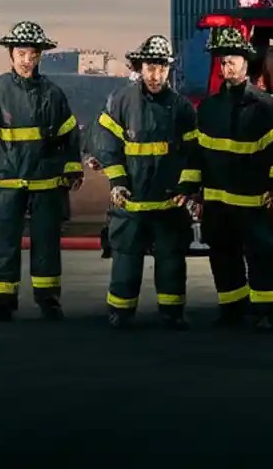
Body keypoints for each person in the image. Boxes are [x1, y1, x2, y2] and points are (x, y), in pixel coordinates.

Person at [183, 26, 273, 331]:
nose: (227, 66)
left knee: (261, 256)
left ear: (246, 62)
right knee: (223, 256)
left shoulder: (266, 107)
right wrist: (192, 192)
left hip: (252, 201)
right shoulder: (208, 109)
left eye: (232, 59)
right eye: (222, 61)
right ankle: (232, 308)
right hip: (218, 202)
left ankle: (268, 312)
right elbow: (196, 154)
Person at [0, 21, 84, 322]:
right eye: (21, 53)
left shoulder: (53, 94)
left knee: (47, 244)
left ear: (40, 56)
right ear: (10, 54)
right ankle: (0, 301)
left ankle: (48, 300)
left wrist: (73, 170)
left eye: (32, 54)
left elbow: (69, 135)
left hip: (46, 183)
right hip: (5, 181)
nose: (27, 60)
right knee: (2, 243)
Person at [93, 35, 199, 330]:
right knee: (126, 261)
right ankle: (121, 313)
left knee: (171, 263)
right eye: (151, 68)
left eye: (162, 68)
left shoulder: (182, 108)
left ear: (169, 70)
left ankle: (172, 313)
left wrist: (186, 189)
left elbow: (193, 154)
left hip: (168, 205)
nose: (156, 75)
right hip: (131, 203)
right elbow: (106, 145)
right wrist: (117, 182)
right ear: (140, 68)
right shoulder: (121, 101)